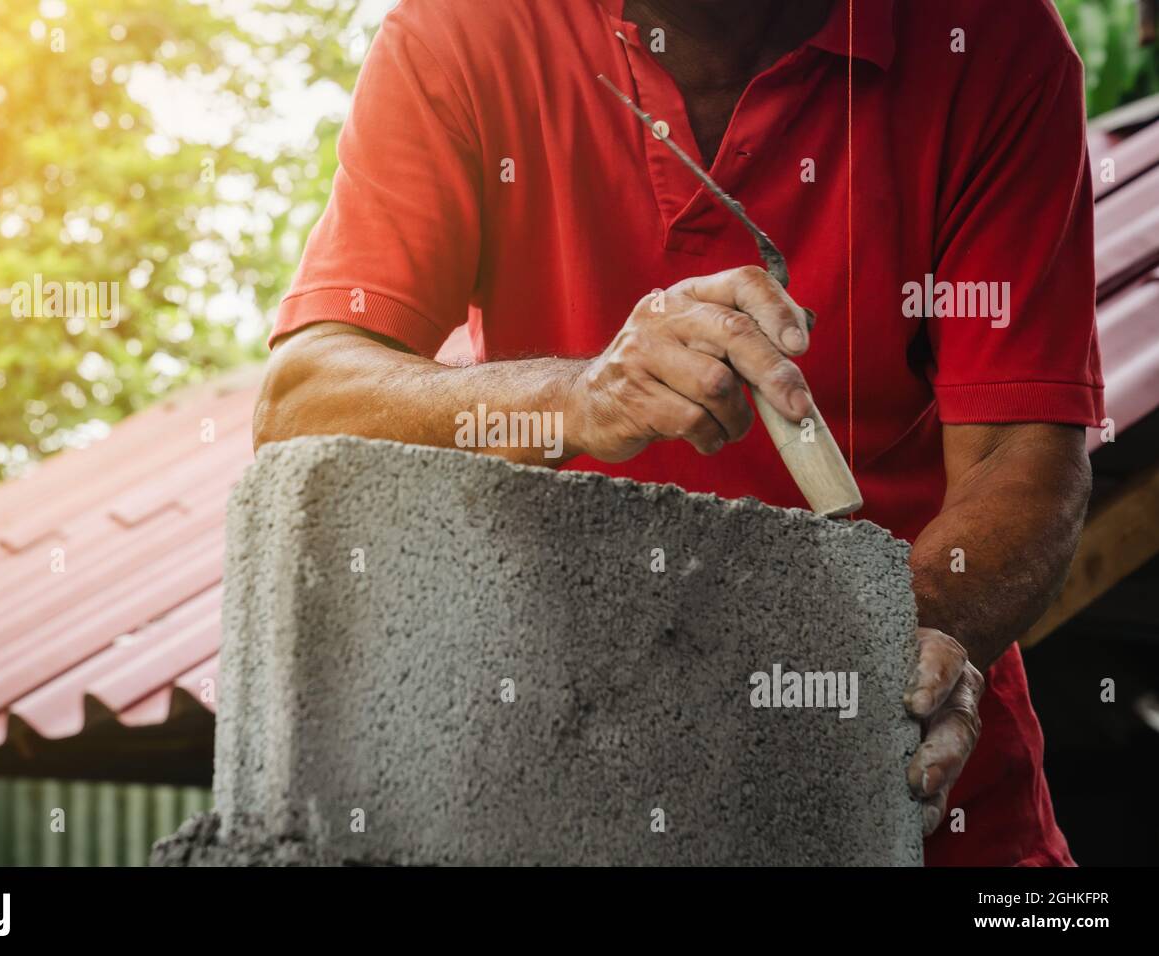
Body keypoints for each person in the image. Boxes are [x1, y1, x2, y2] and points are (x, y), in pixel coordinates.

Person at [254, 0, 1103, 865]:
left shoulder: (987, 35)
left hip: (916, 802)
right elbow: (302, 399)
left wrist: (880, 652)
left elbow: (1020, 451)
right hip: (595, 788)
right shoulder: (461, 31)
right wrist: (578, 397)